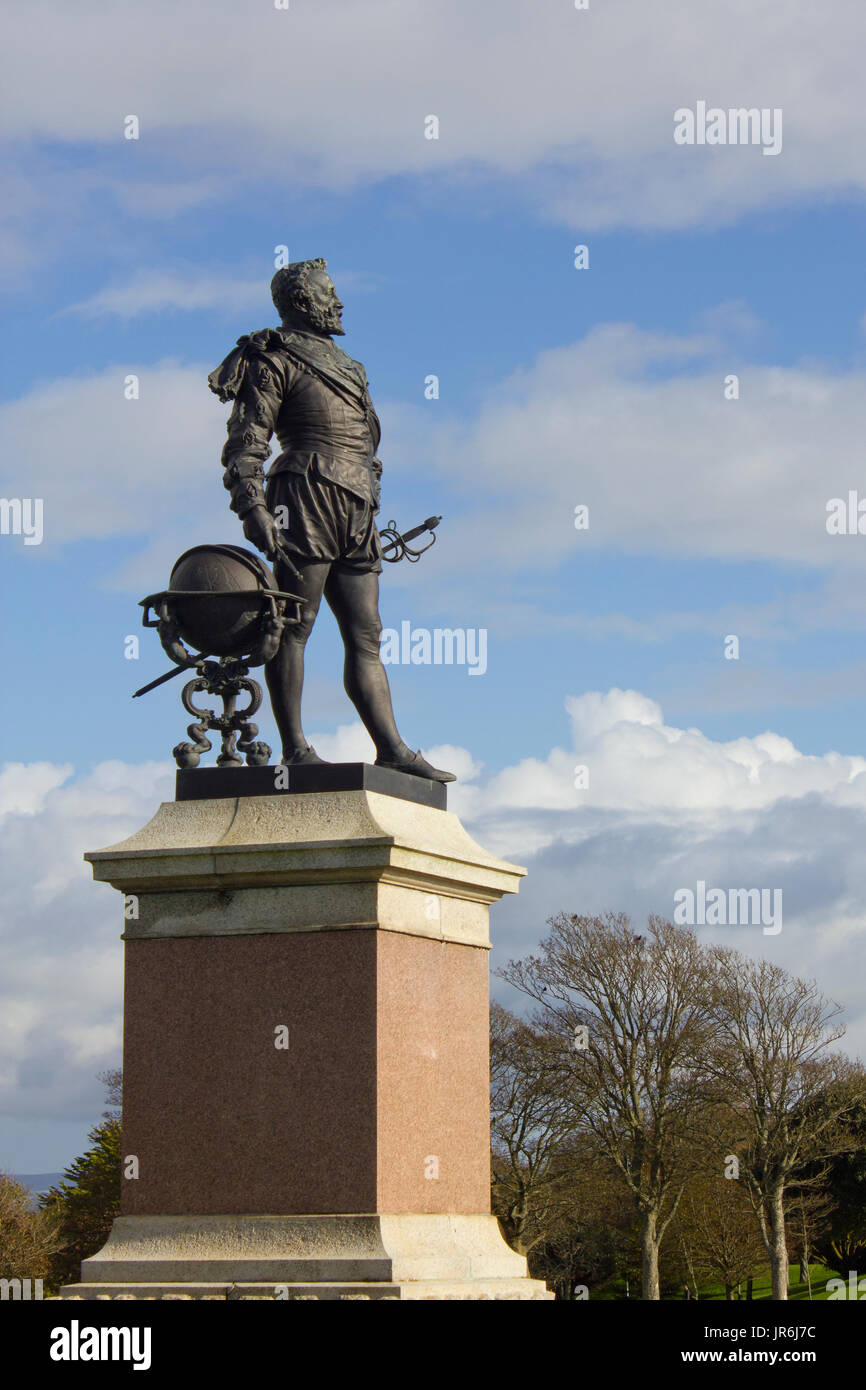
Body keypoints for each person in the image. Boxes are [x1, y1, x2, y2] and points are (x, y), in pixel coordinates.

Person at [208, 258, 454, 782]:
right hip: (304, 494)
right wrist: (253, 506)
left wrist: (370, 491)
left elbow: (366, 443)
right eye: (329, 293)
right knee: (295, 626)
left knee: (368, 635)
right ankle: (295, 749)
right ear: (302, 302)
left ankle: (391, 748)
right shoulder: (272, 357)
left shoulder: (350, 365)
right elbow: (248, 440)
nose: (339, 302)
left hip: (356, 504)